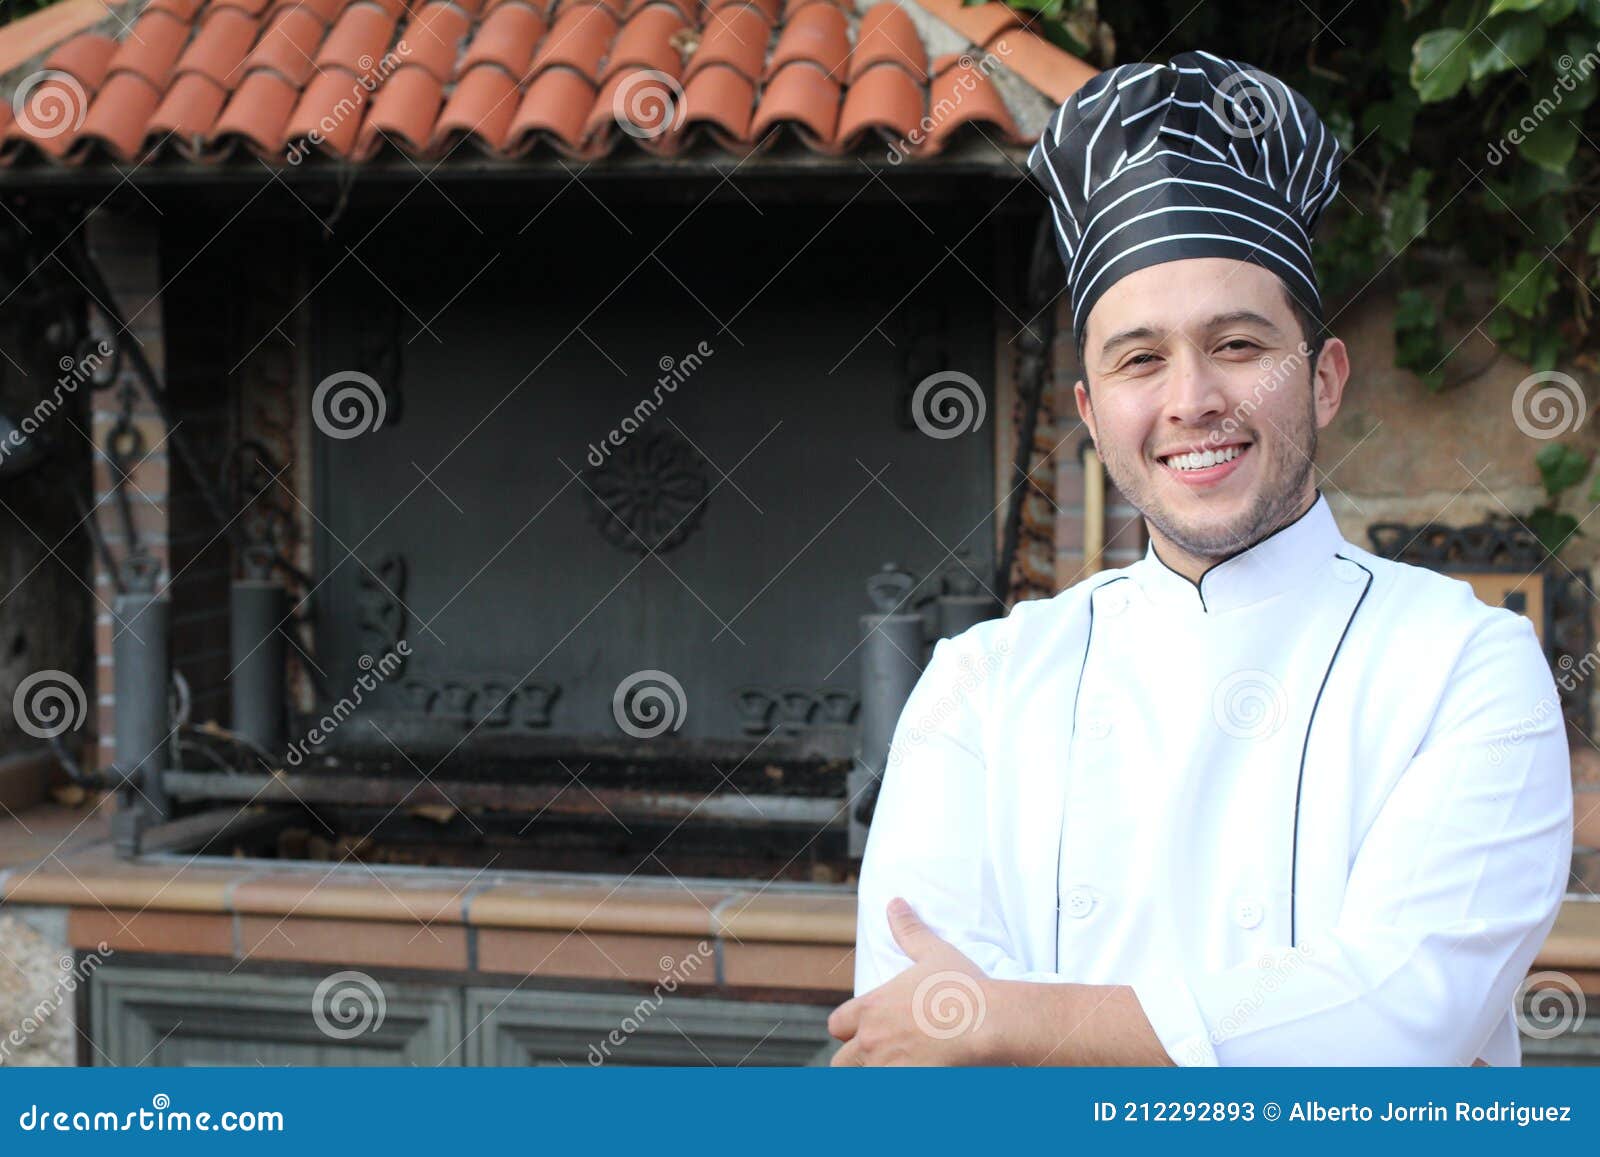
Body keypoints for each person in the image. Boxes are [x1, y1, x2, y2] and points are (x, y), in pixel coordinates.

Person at [828, 50, 1573, 1066]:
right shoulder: (981, 685)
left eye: (1236, 345)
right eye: (1139, 358)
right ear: (1090, 412)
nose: (1189, 401)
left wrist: (1019, 1019)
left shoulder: (1464, 666)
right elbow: (922, 1050)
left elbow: (1401, 1016)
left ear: (1322, 379)